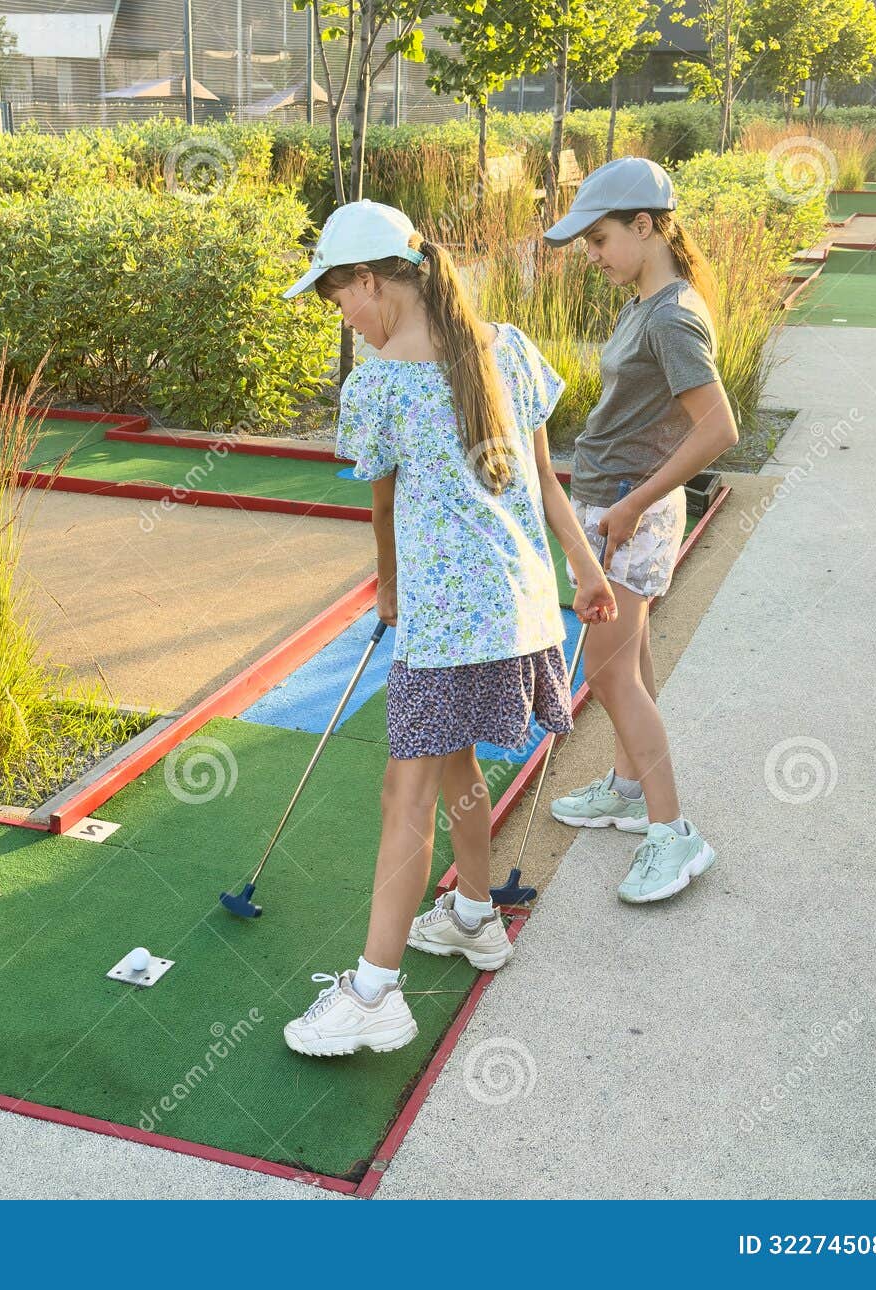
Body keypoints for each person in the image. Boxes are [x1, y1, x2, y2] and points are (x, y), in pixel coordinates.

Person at [277, 200, 617, 1057]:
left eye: (338, 296)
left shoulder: (378, 385)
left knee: (405, 794)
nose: (340, 315)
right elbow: (547, 481)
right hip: (521, 606)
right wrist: (584, 571)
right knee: (458, 759)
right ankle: (472, 916)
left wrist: (389, 592)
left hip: (450, 624)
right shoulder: (507, 347)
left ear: (372, 283)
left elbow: (383, 503)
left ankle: (374, 994)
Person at [541, 156, 739, 903]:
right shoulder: (644, 302)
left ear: (646, 226)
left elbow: (718, 428)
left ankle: (674, 834)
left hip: (626, 513)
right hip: (615, 504)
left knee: (608, 675)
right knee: (633, 663)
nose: (591, 257)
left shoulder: (672, 315)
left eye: (599, 241)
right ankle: (629, 788)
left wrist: (631, 503)